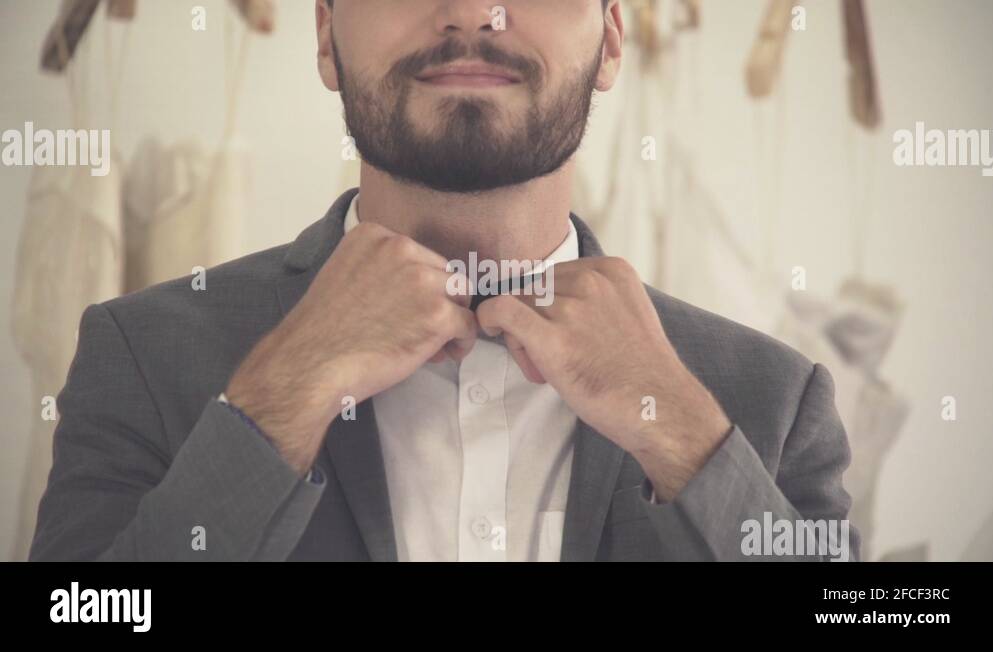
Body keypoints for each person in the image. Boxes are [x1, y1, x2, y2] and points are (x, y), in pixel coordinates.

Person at [30, 0, 859, 562]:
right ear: (325, 35)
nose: (470, 10)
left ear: (611, 39)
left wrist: (685, 440)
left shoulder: (773, 402)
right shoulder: (139, 354)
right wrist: (279, 400)